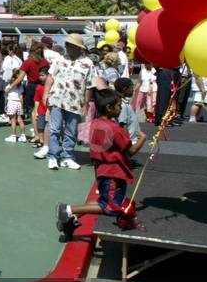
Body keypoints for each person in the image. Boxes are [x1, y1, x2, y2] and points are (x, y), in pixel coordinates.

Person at [55, 89, 146, 240]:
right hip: (113, 172)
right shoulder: (115, 129)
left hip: (102, 169)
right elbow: (130, 151)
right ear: (109, 108)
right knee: (110, 206)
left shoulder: (95, 123)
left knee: (102, 201)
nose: (121, 108)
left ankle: (70, 219)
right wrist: (143, 138)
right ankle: (68, 210)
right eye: (118, 105)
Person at [41, 33, 95, 171]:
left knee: (71, 131)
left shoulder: (88, 63)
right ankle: (53, 156)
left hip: (75, 101)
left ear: (78, 47)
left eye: (70, 44)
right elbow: (51, 76)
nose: (67, 46)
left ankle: (67, 157)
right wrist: (46, 93)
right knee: (55, 129)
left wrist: (86, 103)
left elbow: (89, 85)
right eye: (67, 44)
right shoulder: (59, 59)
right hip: (57, 98)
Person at [10, 42, 48, 148]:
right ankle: (41, 135)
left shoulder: (28, 62)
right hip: (42, 87)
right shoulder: (45, 62)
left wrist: (10, 87)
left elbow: (20, 78)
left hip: (32, 88)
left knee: (33, 112)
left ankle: (37, 135)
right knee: (41, 112)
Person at [113, 77, 141, 141]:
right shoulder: (122, 105)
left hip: (132, 139)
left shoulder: (124, 103)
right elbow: (122, 125)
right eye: (131, 88)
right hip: (129, 140)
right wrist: (126, 141)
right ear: (124, 89)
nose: (133, 90)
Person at [3, 69, 27, 142]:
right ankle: (23, 136)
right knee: (20, 120)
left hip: (11, 102)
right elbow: (21, 97)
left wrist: (6, 104)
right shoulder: (21, 87)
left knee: (13, 120)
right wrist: (22, 106)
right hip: (18, 103)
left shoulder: (9, 86)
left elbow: (6, 95)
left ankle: (13, 136)